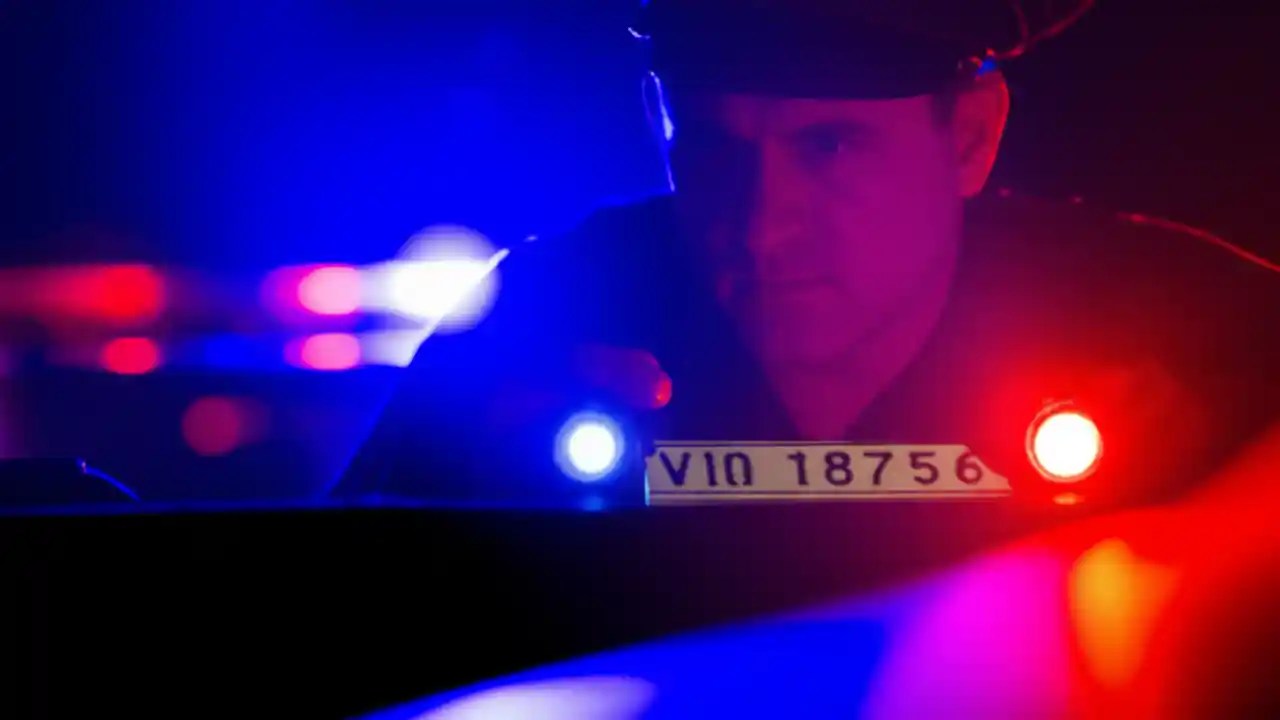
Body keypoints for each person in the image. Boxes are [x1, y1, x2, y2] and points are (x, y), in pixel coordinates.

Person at [335, 0, 1279, 504]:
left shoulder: (1206, 342)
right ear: (660, 126)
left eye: (829, 148)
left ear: (970, 137)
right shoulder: (542, 323)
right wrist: (458, 509)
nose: (761, 226)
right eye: (715, 150)